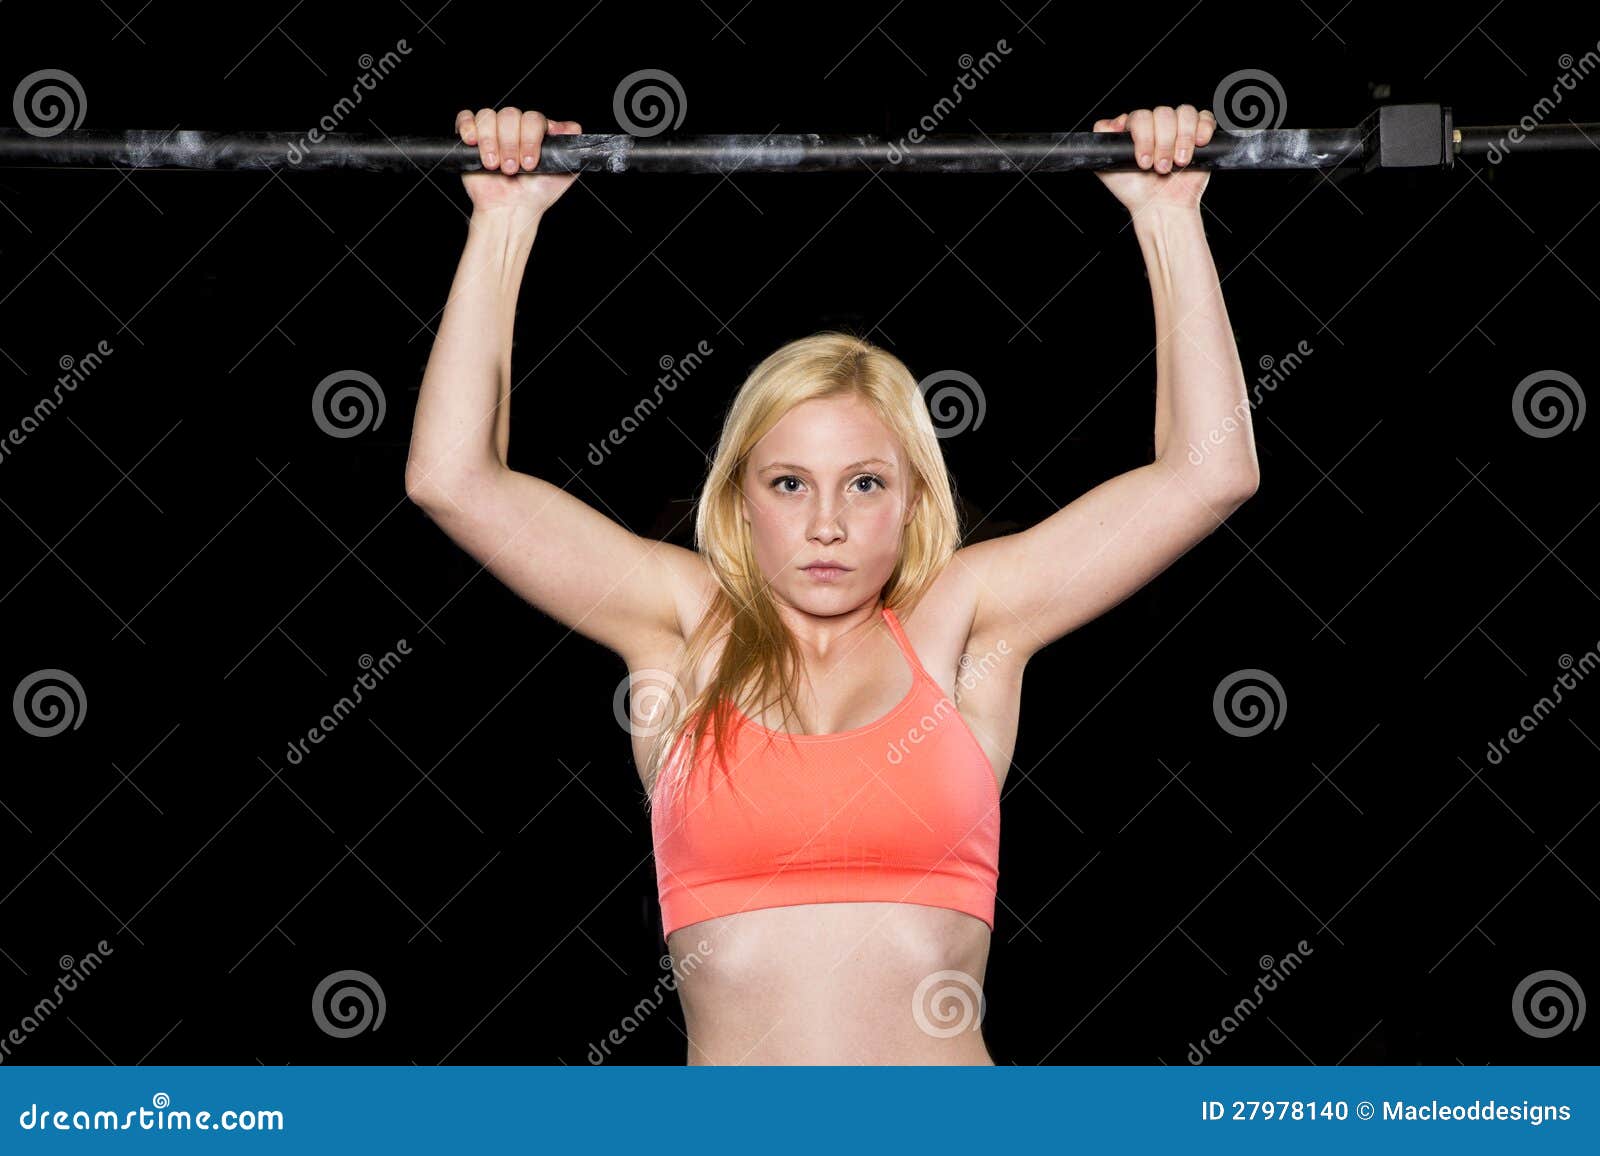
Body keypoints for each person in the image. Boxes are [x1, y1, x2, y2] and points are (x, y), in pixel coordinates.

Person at [405, 103, 1258, 1064]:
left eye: (865, 484)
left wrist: (1168, 213)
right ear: (739, 500)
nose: (825, 524)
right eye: (788, 484)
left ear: (911, 500)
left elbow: (1209, 471)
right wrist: (504, 221)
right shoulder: (682, 628)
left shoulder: (966, 621)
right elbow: (452, 478)